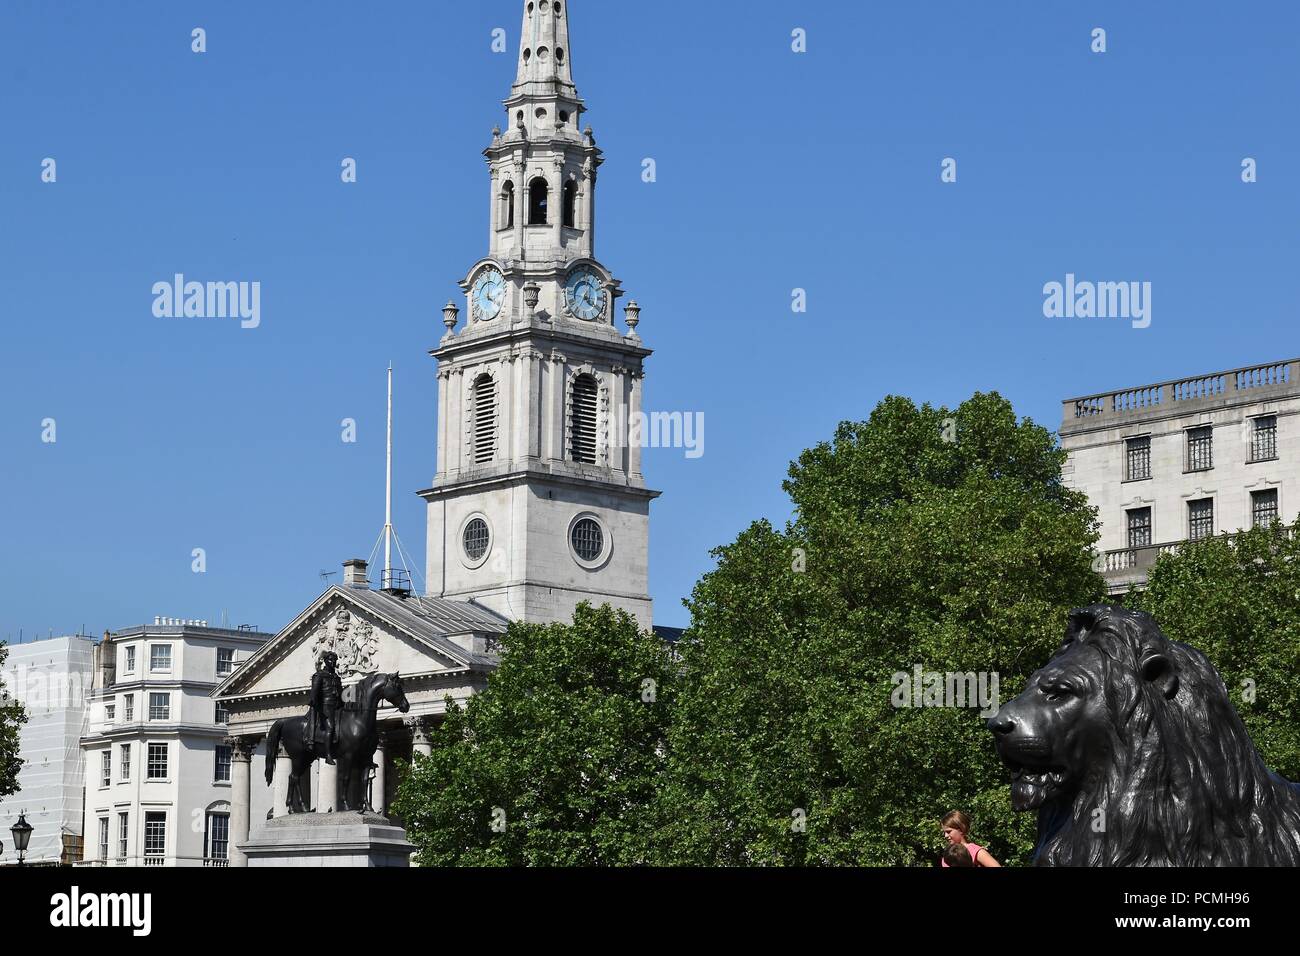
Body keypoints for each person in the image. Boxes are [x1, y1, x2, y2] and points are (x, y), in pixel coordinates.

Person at [306, 652, 343, 765]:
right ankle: (328, 754)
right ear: (325, 661)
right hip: (325, 706)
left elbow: (341, 692)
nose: (333, 663)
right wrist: (314, 702)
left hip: (337, 705)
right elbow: (315, 692)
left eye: (335, 661)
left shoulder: (336, 677)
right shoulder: (319, 675)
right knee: (330, 727)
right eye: (331, 660)